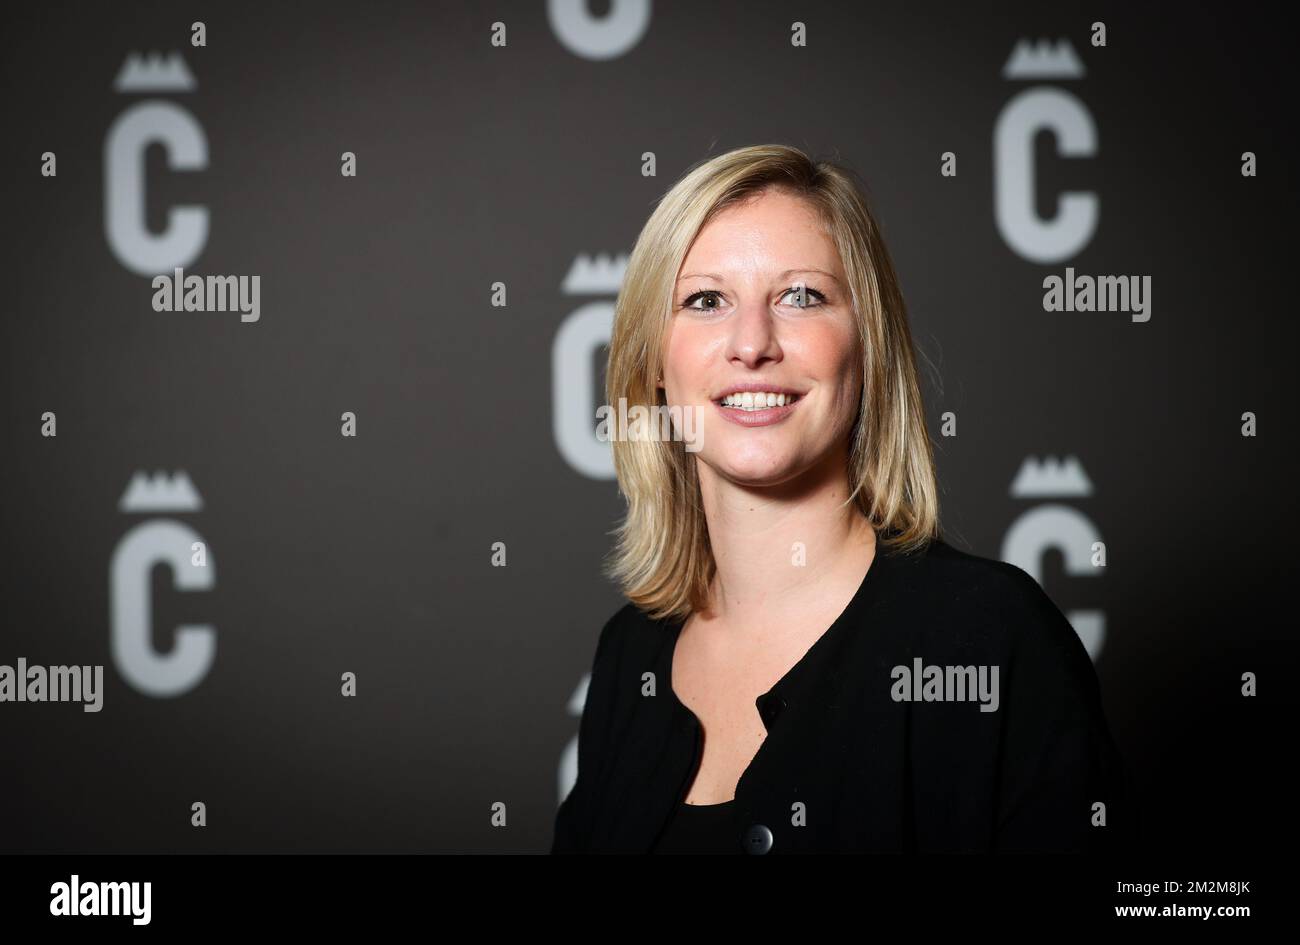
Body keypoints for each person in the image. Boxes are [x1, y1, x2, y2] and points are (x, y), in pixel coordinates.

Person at [552, 144, 1129, 854]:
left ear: (866, 346)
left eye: (801, 295)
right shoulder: (630, 654)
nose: (752, 343)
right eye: (706, 300)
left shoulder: (990, 637)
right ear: (654, 367)